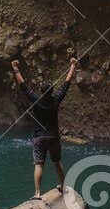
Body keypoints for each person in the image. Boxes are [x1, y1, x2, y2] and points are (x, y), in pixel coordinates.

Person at [11, 55, 77, 196]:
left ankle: (37, 193)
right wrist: (72, 65)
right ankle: (64, 187)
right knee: (57, 162)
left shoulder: (35, 100)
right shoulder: (56, 100)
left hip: (39, 137)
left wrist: (15, 69)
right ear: (52, 91)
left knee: (39, 165)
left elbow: (23, 86)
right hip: (53, 137)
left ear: (41, 91)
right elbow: (66, 84)